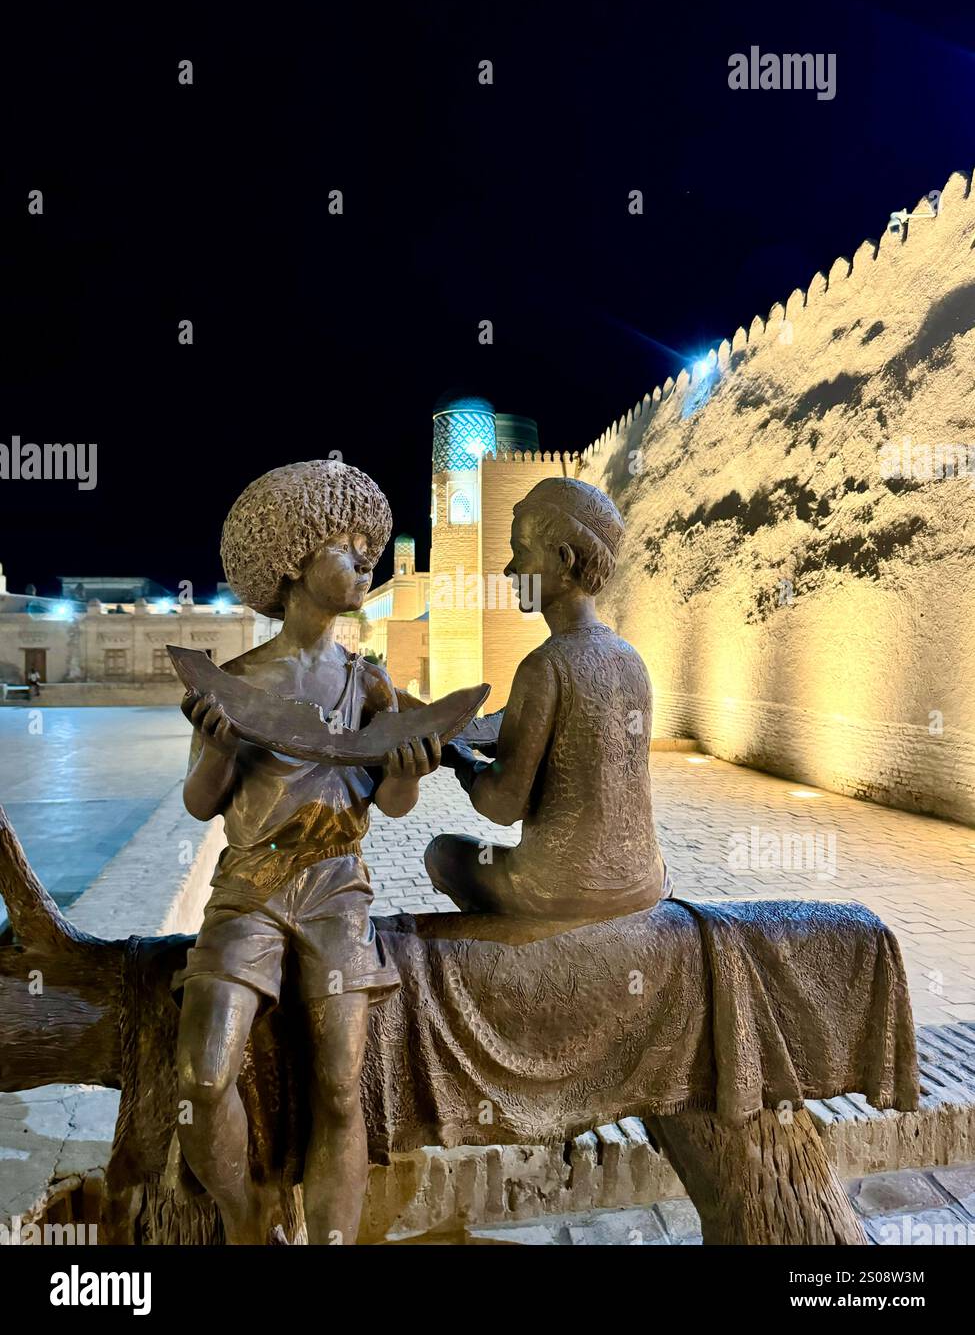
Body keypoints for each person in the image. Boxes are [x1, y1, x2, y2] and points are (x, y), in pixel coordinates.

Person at [172, 460, 440, 1246]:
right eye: (346, 546)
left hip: (335, 889)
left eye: (371, 547)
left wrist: (404, 772)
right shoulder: (234, 682)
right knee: (202, 1073)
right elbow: (199, 803)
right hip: (250, 889)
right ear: (291, 560)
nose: (367, 561)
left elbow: (389, 805)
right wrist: (221, 752)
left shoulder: (371, 685)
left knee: (338, 1085)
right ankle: (248, 1224)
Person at [431, 476, 672, 927]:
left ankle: (512, 956)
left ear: (563, 561)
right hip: (645, 880)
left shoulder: (545, 667)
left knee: (443, 852)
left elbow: (503, 806)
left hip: (559, 889)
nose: (508, 570)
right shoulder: (631, 658)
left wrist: (463, 762)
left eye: (520, 552)